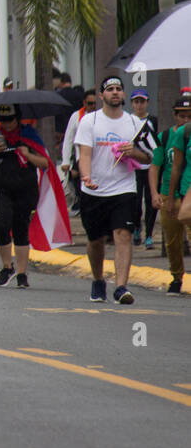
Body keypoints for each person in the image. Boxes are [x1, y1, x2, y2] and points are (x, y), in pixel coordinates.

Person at [75, 75, 151, 304]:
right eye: (110, 89)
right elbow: (85, 154)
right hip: (94, 191)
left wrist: (133, 152)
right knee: (96, 241)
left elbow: (148, 155)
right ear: (101, 95)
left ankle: (120, 287)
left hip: (124, 189)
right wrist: (86, 177)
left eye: (119, 89)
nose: (115, 92)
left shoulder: (134, 124)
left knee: (123, 234)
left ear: (124, 95)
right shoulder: (90, 121)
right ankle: (98, 281)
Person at [0, 104, 50, 289]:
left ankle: (22, 273)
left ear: (17, 118)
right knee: (0, 224)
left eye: (10, 120)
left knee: (20, 228)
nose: (6, 124)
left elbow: (45, 162)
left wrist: (28, 154)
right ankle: (6, 266)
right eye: (3, 120)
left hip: (25, 189)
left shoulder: (29, 136)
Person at [150, 93, 191, 294]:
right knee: (173, 242)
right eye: (182, 115)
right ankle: (176, 276)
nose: (186, 119)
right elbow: (160, 166)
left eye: (189, 115)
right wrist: (158, 193)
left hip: (188, 195)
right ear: (175, 116)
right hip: (173, 194)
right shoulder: (168, 136)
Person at [130, 88, 159, 249]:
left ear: (147, 103)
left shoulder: (153, 121)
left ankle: (148, 234)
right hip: (134, 167)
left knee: (150, 200)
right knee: (135, 201)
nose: (139, 105)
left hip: (150, 167)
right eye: (136, 102)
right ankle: (136, 227)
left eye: (142, 101)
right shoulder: (129, 121)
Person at [61, 89, 98, 213]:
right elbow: (68, 139)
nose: (92, 106)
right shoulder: (76, 116)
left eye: (94, 103)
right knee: (81, 185)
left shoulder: (101, 116)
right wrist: (65, 161)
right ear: (84, 103)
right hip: (80, 157)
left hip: (98, 158)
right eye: (89, 103)